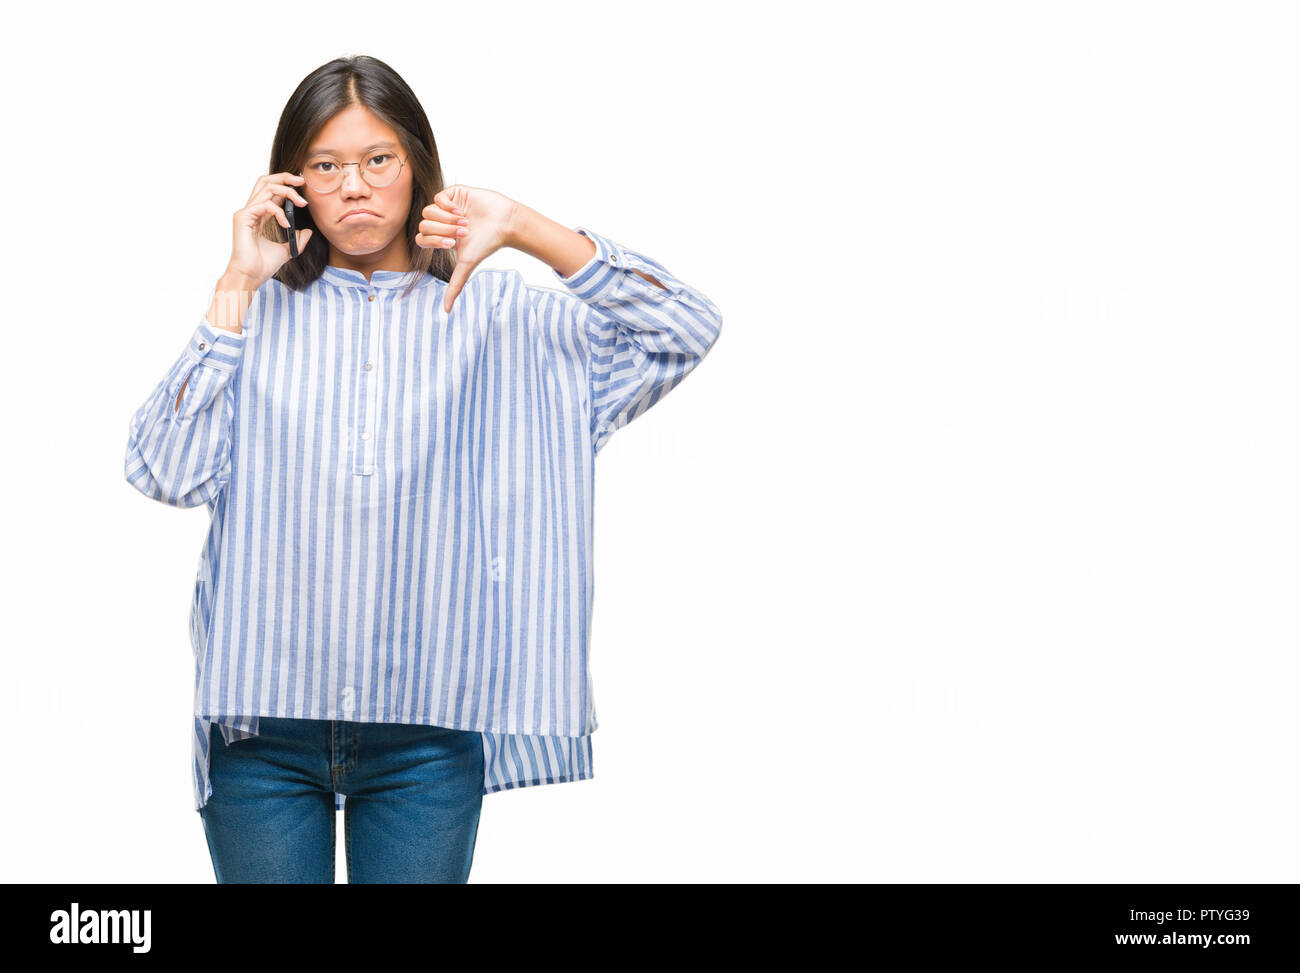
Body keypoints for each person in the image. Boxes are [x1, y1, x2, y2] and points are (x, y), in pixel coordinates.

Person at [124, 54, 723, 883]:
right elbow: (163, 470)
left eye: (379, 160)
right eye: (327, 166)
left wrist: (524, 226)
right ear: (294, 183)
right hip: (261, 736)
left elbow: (683, 327)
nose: (355, 187)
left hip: (429, 737)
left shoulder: (504, 319)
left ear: (416, 167)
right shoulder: (253, 315)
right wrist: (234, 282)